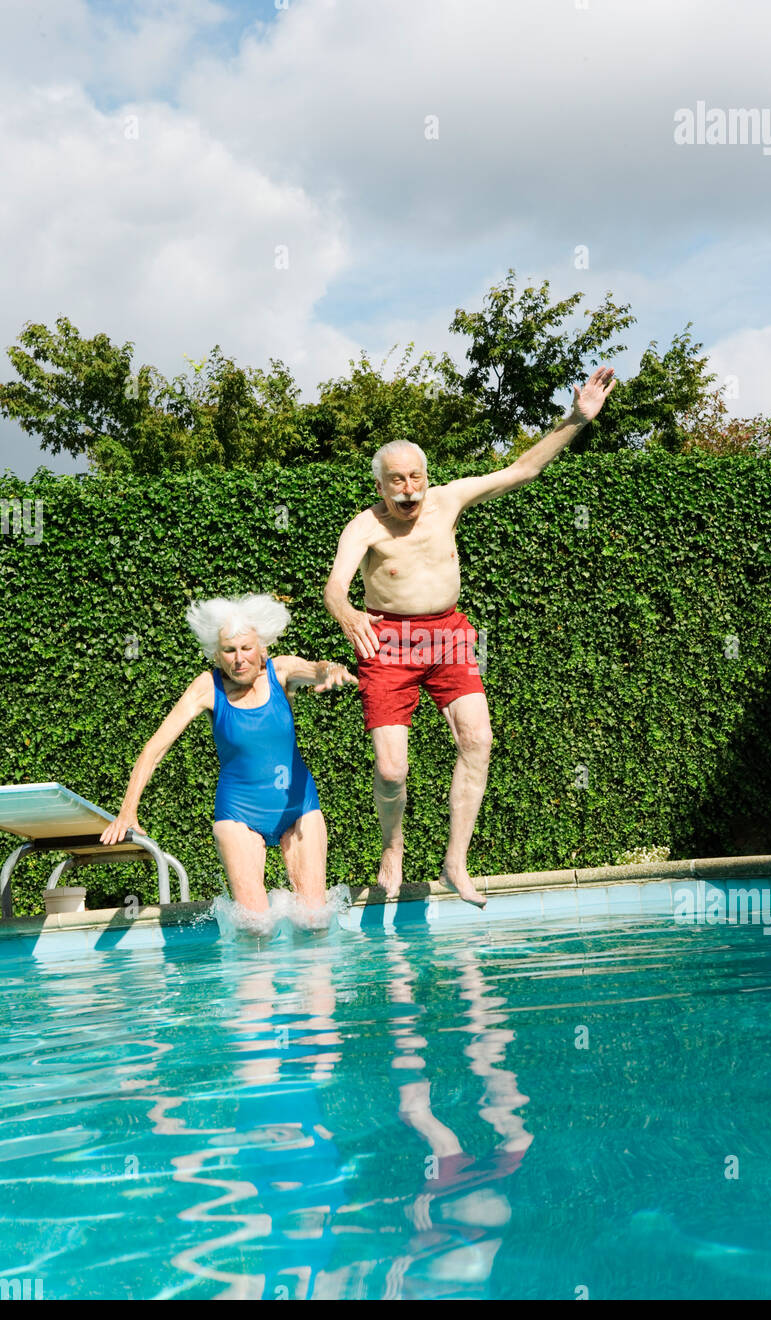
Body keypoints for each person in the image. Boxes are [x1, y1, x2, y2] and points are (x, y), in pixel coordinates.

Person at [323, 367, 616, 905]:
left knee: (478, 740)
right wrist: (346, 615)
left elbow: (523, 468)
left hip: (450, 634)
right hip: (388, 642)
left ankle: (456, 862)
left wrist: (576, 419)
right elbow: (335, 588)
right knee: (391, 769)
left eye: (415, 478)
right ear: (380, 484)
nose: (408, 490)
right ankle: (393, 851)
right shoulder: (364, 528)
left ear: (426, 477)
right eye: (396, 481)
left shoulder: (450, 499)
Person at [100, 593, 356, 916]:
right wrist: (127, 811)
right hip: (239, 814)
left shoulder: (281, 672)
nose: (239, 658)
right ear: (217, 655)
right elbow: (155, 747)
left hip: (299, 806)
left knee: (315, 918)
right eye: (229, 651)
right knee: (255, 925)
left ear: (262, 648)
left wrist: (331, 669)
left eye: (246, 648)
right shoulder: (207, 688)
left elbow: (316, 669)